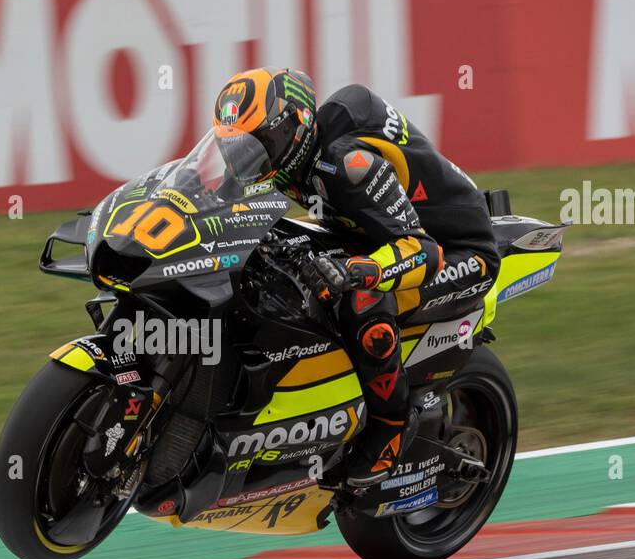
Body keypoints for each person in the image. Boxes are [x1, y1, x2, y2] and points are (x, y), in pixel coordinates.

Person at [213, 67, 500, 487]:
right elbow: (215, 200)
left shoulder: (350, 163)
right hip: (367, 234)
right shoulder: (282, 159)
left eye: (261, 144)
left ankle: (390, 430)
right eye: (236, 148)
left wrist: (357, 271)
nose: (248, 160)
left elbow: (423, 249)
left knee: (361, 299)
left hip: (457, 250)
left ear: (297, 125)